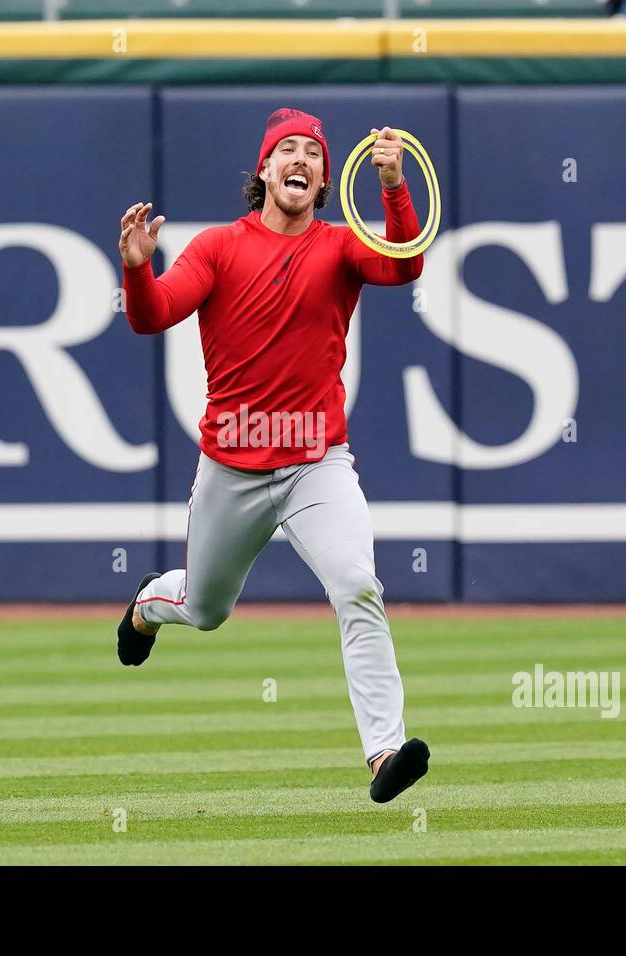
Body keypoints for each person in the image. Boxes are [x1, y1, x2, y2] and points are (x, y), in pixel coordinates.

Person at [114, 108, 430, 803]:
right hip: (233, 466)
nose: (300, 159)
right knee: (205, 608)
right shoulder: (218, 247)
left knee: (358, 585)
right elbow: (153, 314)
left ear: (323, 180)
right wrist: (138, 271)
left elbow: (404, 265)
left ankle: (384, 752)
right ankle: (147, 603)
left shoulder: (340, 247)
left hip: (318, 464)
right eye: (286, 150)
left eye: (313, 154)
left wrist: (393, 187)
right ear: (263, 172)